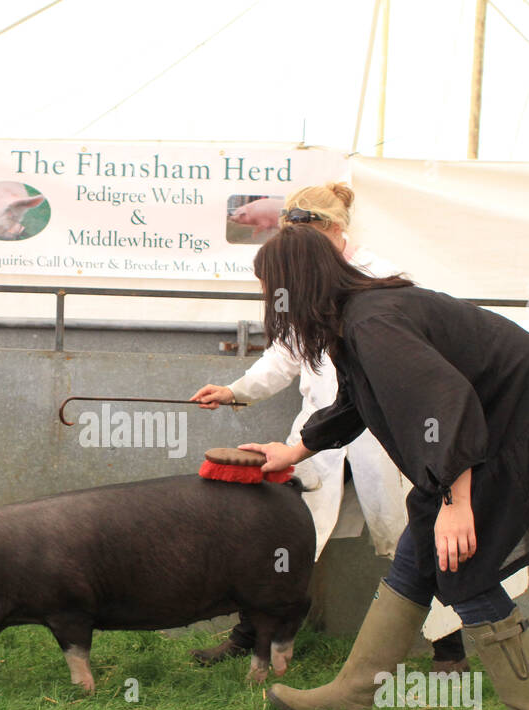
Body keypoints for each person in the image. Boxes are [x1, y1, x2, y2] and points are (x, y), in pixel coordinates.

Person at [240, 225, 529, 710]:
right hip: (490, 428)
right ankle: (353, 692)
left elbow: (446, 400)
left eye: (271, 287)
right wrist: (295, 451)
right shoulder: (358, 320)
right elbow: (359, 402)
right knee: (418, 556)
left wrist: (458, 505)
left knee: (467, 564)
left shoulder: (375, 323)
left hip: (516, 424)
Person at [191, 182, 478, 674]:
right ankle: (253, 634)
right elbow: (285, 353)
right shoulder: (299, 279)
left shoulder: (383, 281)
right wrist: (237, 390)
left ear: (333, 229)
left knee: (418, 533)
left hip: (382, 436)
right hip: (317, 437)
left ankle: (448, 651)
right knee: (284, 534)